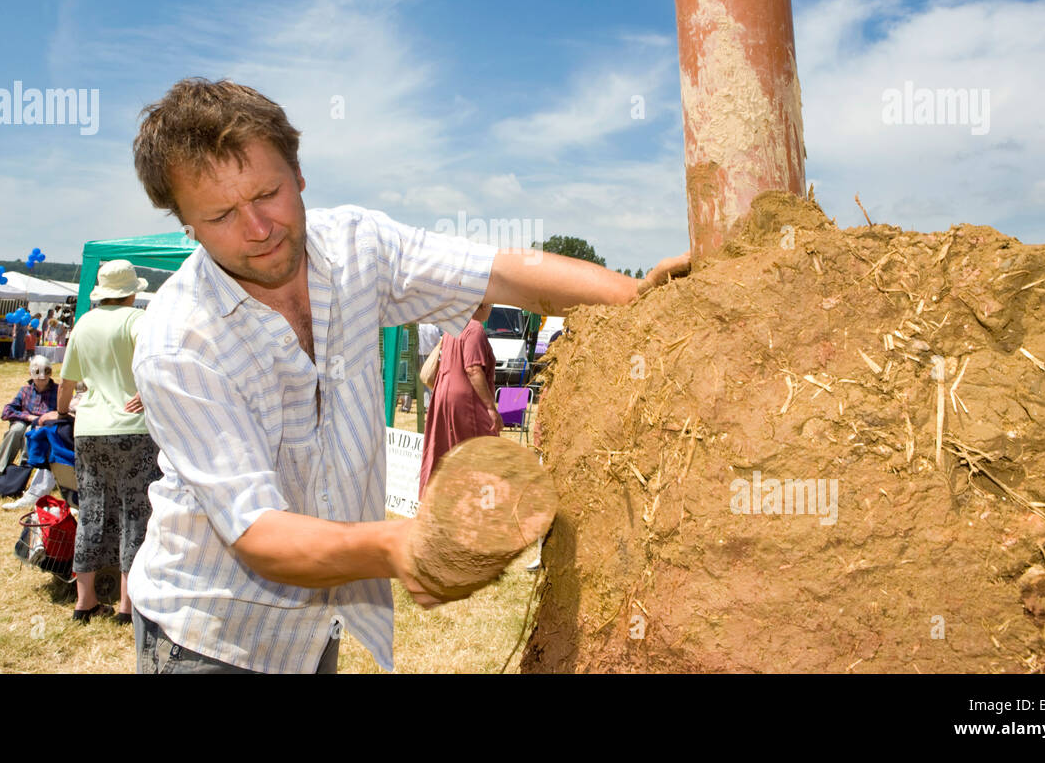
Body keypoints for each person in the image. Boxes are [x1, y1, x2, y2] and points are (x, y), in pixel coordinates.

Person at [124, 78, 690, 674]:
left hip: (317, 627)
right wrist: (404, 544)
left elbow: (501, 274)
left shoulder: (358, 246)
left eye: (268, 194)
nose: (257, 228)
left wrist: (639, 299)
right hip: (211, 635)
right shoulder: (177, 341)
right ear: (185, 224)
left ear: (300, 176)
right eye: (219, 216)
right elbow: (258, 532)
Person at [57, 260, 160, 625]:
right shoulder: (138, 320)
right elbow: (159, 364)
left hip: (89, 428)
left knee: (92, 511)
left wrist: (62, 413)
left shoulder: (83, 323)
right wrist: (146, 394)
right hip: (132, 428)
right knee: (135, 514)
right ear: (132, 291)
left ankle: (84, 602)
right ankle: (126, 607)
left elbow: (66, 382)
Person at [419, 302, 499, 499]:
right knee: (480, 450)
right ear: (482, 306)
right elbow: (473, 369)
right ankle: (474, 501)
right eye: (491, 305)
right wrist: (491, 408)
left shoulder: (452, 328)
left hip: (443, 395)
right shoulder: (475, 328)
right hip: (465, 400)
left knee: (444, 449)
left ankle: (441, 498)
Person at [0, 355, 61, 497]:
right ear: (30, 373)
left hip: (42, 427)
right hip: (25, 422)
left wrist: (43, 419)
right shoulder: (25, 390)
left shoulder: (58, 391)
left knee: (30, 432)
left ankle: (21, 476)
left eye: (46, 371)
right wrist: (27, 417)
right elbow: (6, 411)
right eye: (37, 372)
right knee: (16, 430)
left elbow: (62, 412)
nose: (42, 377)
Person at [417, 321, 441, 409]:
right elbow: (438, 343)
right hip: (431, 356)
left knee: (415, 378)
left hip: (418, 354)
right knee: (428, 379)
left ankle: (407, 404)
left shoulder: (419, 326)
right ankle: (427, 404)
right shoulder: (433, 328)